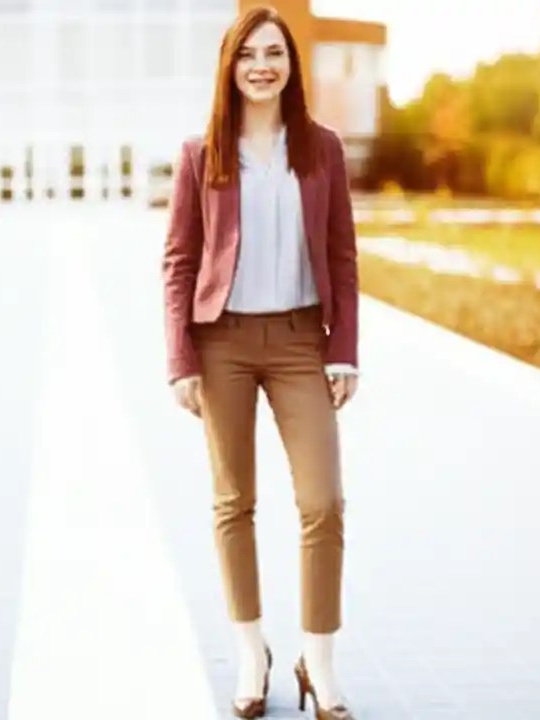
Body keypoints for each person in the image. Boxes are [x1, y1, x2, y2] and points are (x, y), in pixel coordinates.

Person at [160, 5, 360, 719]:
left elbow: (341, 252)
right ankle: (252, 652)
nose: (262, 66)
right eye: (249, 55)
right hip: (223, 346)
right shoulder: (200, 153)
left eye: (274, 53)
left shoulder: (323, 149)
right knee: (232, 501)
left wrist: (344, 350)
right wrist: (181, 358)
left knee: (322, 503)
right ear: (230, 67)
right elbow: (179, 262)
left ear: (291, 66)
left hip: (303, 340)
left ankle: (319, 661)